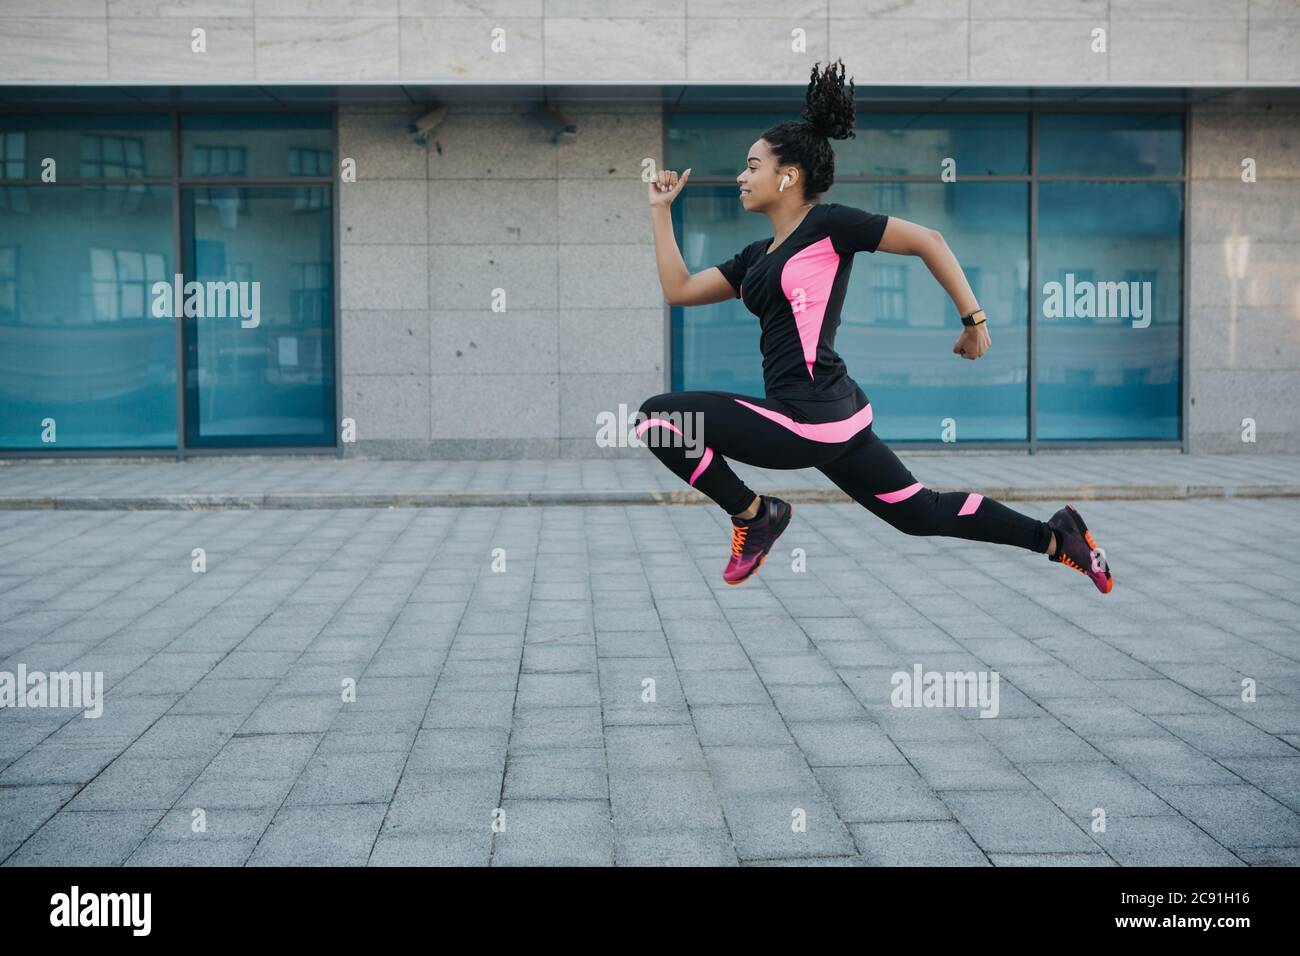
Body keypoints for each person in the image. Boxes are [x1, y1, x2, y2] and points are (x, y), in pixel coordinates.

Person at [638, 58, 1112, 594]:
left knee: (660, 418)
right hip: (830, 417)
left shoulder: (829, 225)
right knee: (919, 512)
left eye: (752, 166)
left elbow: (929, 240)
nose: (741, 177)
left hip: (811, 416)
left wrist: (973, 319)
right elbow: (679, 291)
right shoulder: (754, 257)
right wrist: (659, 210)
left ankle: (755, 516)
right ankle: (1058, 537)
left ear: (788, 176)